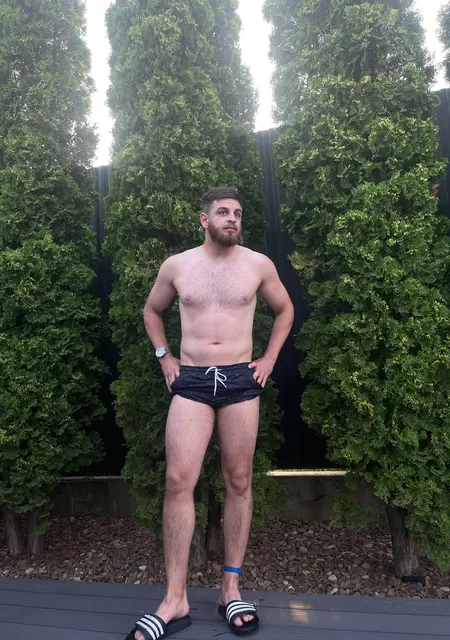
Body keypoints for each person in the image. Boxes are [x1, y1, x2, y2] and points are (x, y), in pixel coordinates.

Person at [126, 187, 294, 640]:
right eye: (223, 212)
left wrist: (269, 359)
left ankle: (230, 590)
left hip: (241, 379)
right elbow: (152, 311)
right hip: (193, 380)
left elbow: (285, 310)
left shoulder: (258, 265)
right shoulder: (177, 266)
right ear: (205, 220)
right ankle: (174, 599)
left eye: (237, 213)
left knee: (238, 481)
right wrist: (164, 357)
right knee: (178, 481)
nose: (232, 218)